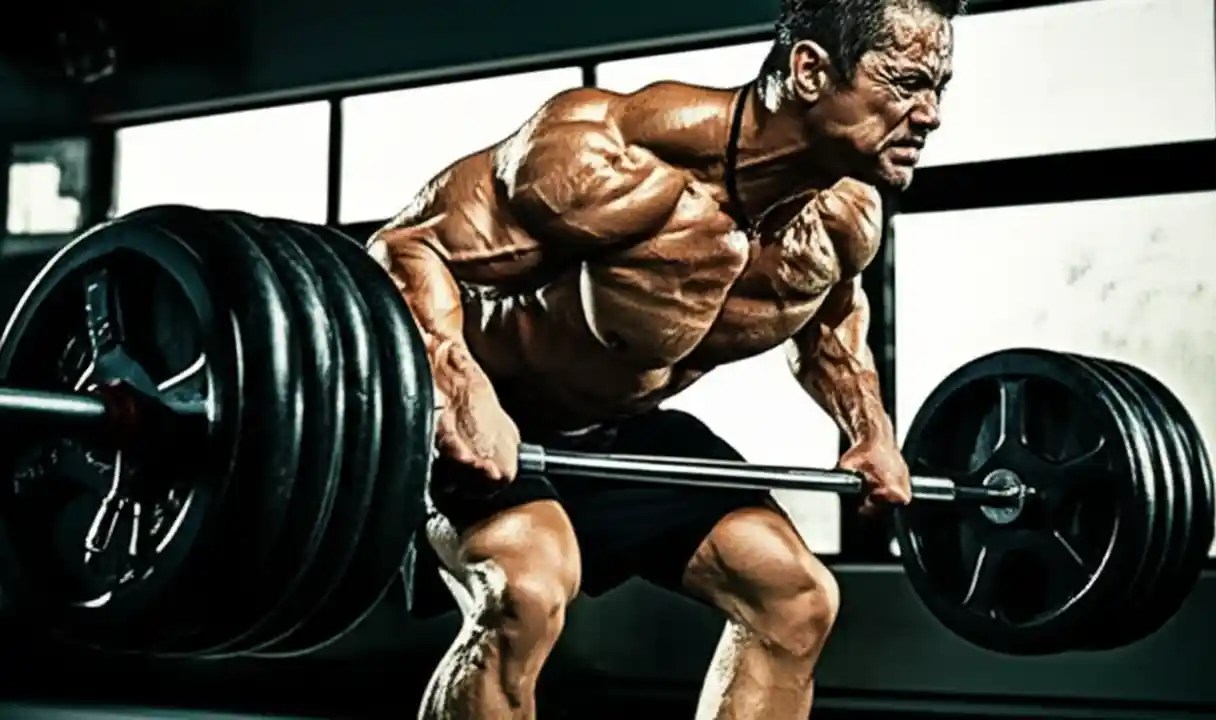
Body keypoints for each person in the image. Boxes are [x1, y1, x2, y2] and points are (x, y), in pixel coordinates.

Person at [369, 0, 959, 716]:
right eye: (906, 83)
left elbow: (833, 324)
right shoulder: (611, 155)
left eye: (939, 88)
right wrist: (458, 393)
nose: (929, 114)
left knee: (795, 598)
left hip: (625, 427)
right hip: (493, 415)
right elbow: (406, 247)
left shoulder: (843, 219)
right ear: (809, 70)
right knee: (526, 591)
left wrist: (869, 430)